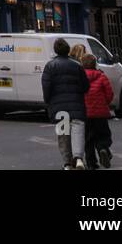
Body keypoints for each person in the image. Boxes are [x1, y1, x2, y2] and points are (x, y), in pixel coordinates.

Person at [41, 37, 89, 169]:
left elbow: (46, 87)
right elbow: (85, 86)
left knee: (63, 135)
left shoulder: (50, 66)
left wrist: (48, 102)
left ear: (56, 50)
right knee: (78, 131)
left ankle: (67, 163)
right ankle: (78, 158)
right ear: (67, 49)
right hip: (76, 105)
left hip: (59, 106)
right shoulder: (77, 65)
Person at [82, 54, 115, 169]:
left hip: (85, 113)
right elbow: (109, 94)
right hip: (100, 112)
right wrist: (104, 103)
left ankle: (91, 163)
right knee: (103, 135)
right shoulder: (101, 76)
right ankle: (103, 149)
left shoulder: (80, 78)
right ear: (95, 64)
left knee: (88, 139)